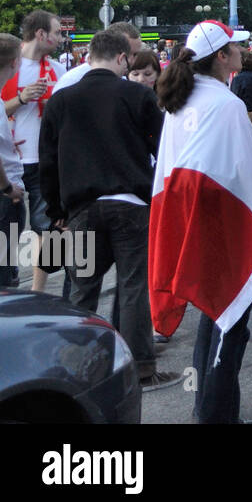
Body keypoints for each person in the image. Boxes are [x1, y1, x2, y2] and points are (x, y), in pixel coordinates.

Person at [150, 20, 252, 423]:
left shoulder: (180, 100)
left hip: (192, 222)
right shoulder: (224, 105)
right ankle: (218, 416)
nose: (243, 52)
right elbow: (248, 173)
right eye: (235, 48)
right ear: (221, 56)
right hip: (220, 227)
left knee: (213, 316)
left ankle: (206, 408)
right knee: (229, 324)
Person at [38, 27, 175, 391]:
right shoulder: (135, 95)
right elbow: (164, 149)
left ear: (88, 57)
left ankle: (77, 370)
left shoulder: (60, 101)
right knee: (132, 288)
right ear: (122, 58)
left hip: (81, 208)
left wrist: (56, 210)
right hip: (130, 203)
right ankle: (141, 369)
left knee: (82, 289)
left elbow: (47, 161)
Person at [0, 10, 66, 294]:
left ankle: (37, 292)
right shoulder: (7, 66)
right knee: (4, 230)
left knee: (47, 228)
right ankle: (3, 286)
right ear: (42, 34)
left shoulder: (59, 70)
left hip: (44, 162)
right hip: (7, 162)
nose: (61, 38)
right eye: (58, 32)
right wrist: (21, 98)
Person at [0, 33, 27, 288]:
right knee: (0, 274)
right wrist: (6, 187)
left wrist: (5, 146)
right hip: (0, 198)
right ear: (14, 63)